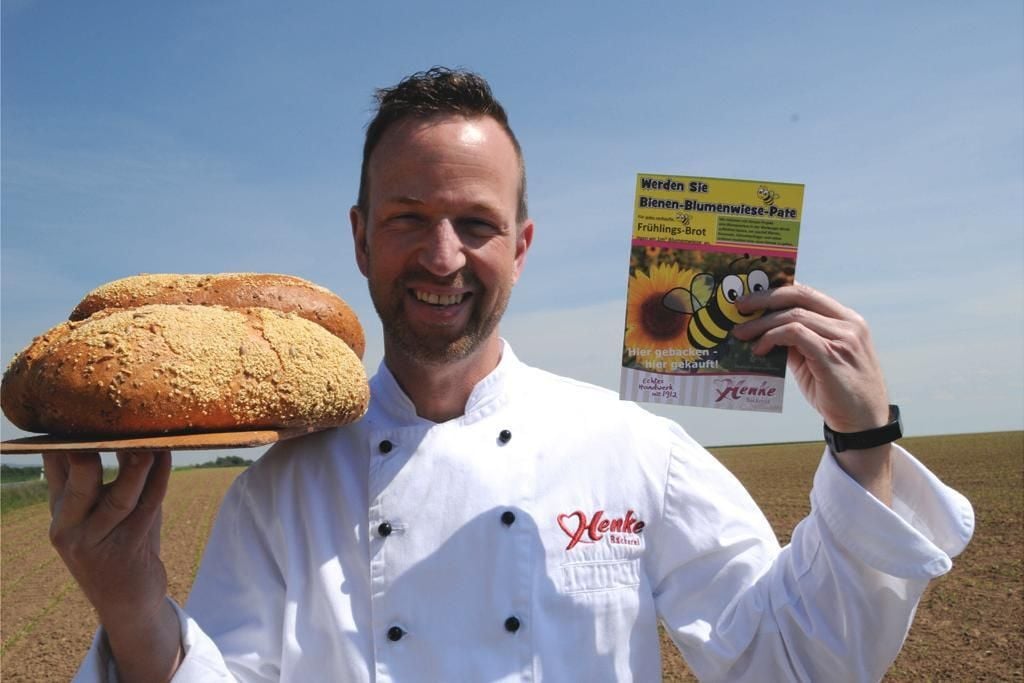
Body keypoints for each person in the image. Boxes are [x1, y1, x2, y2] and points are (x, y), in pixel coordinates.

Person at [45, 67, 974, 682]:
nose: (443, 257)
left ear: (521, 247)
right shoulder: (281, 486)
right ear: (361, 238)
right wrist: (129, 597)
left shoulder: (631, 448)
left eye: (477, 224)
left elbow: (798, 658)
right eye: (408, 217)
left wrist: (861, 449)